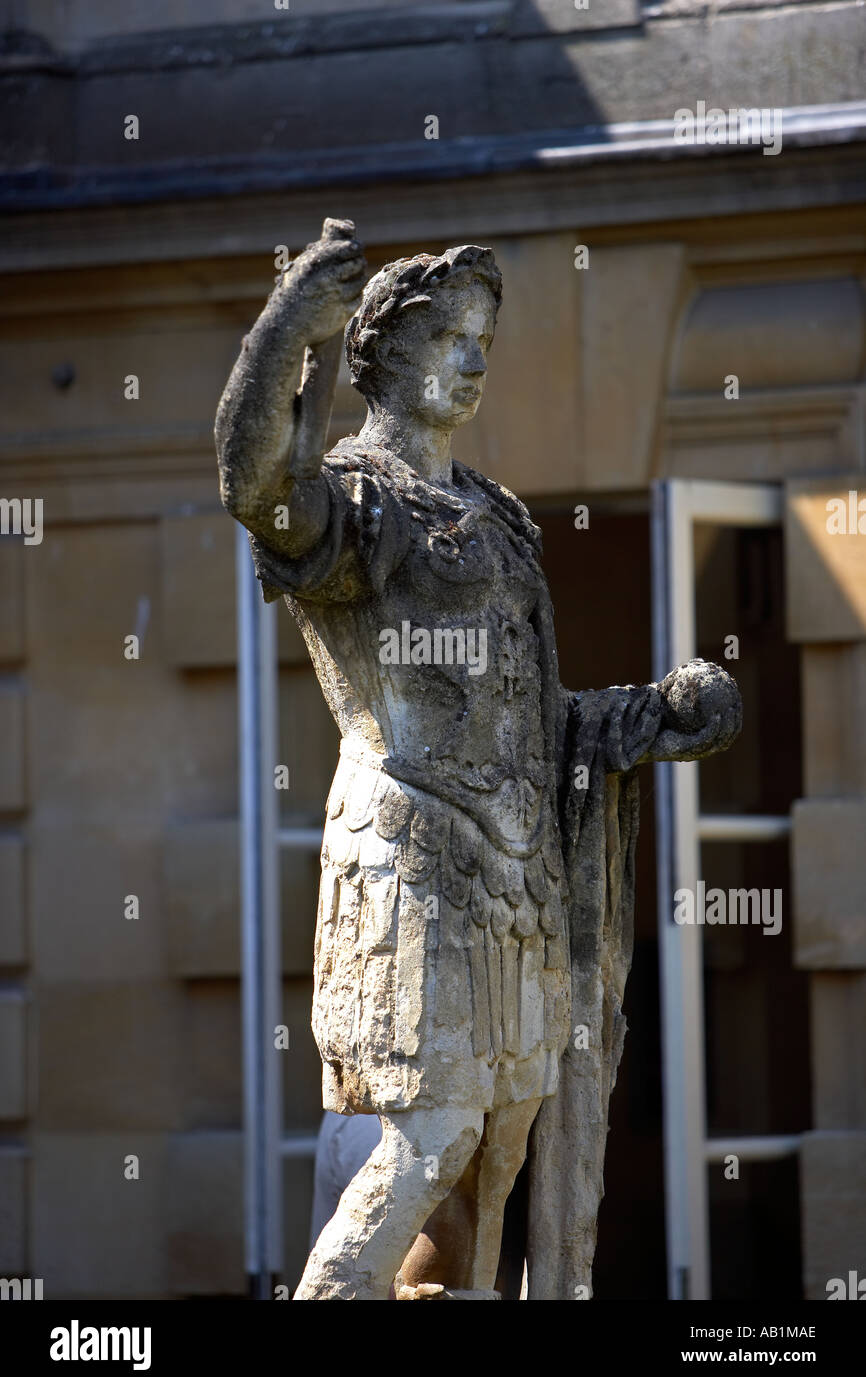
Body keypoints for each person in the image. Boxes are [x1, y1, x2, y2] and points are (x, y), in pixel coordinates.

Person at [215, 222, 741, 1300]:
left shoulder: (496, 518)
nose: (470, 357)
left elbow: (529, 717)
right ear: (380, 355)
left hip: (515, 884)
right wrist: (285, 329)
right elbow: (257, 486)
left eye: (480, 337)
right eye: (444, 336)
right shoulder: (356, 497)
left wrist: (648, 716)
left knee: (495, 1158)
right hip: (408, 859)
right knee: (431, 1132)